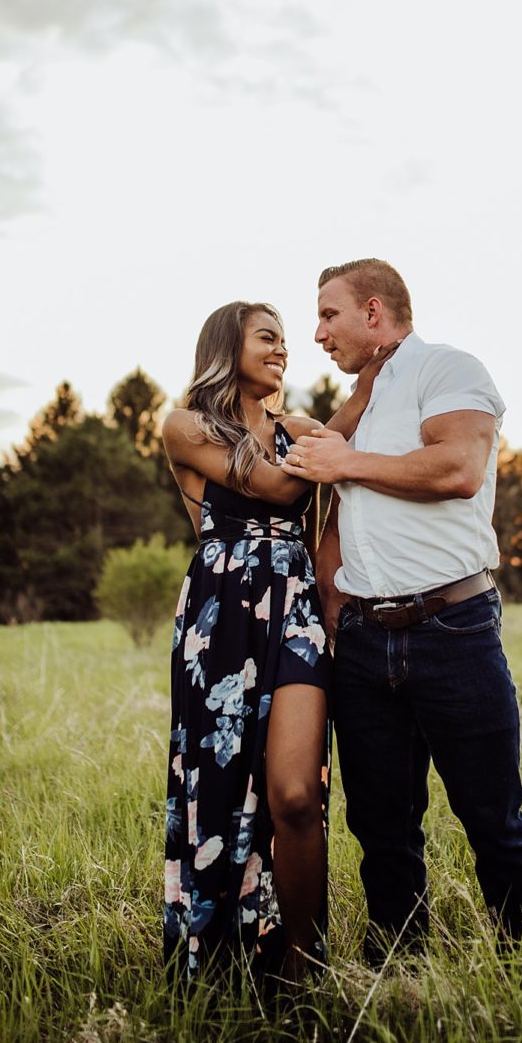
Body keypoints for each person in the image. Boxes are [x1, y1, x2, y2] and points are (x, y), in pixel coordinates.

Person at [282, 259, 522, 966]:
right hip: (366, 643)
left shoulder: (447, 368)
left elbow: (456, 469)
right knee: (380, 828)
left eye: (328, 315)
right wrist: (332, 589)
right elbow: (333, 487)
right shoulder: (359, 405)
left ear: (373, 312)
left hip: (452, 630)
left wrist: (343, 462)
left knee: (493, 822)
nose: (316, 333)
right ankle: (398, 972)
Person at [160, 299, 390, 986]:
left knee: (295, 794)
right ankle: (224, 956)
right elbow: (275, 484)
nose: (283, 349)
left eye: (285, 340)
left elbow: (326, 508)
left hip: (294, 608)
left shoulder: (306, 430)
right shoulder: (186, 425)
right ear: (226, 346)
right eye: (267, 337)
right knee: (221, 785)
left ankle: (303, 964)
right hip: (222, 613)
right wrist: (358, 397)